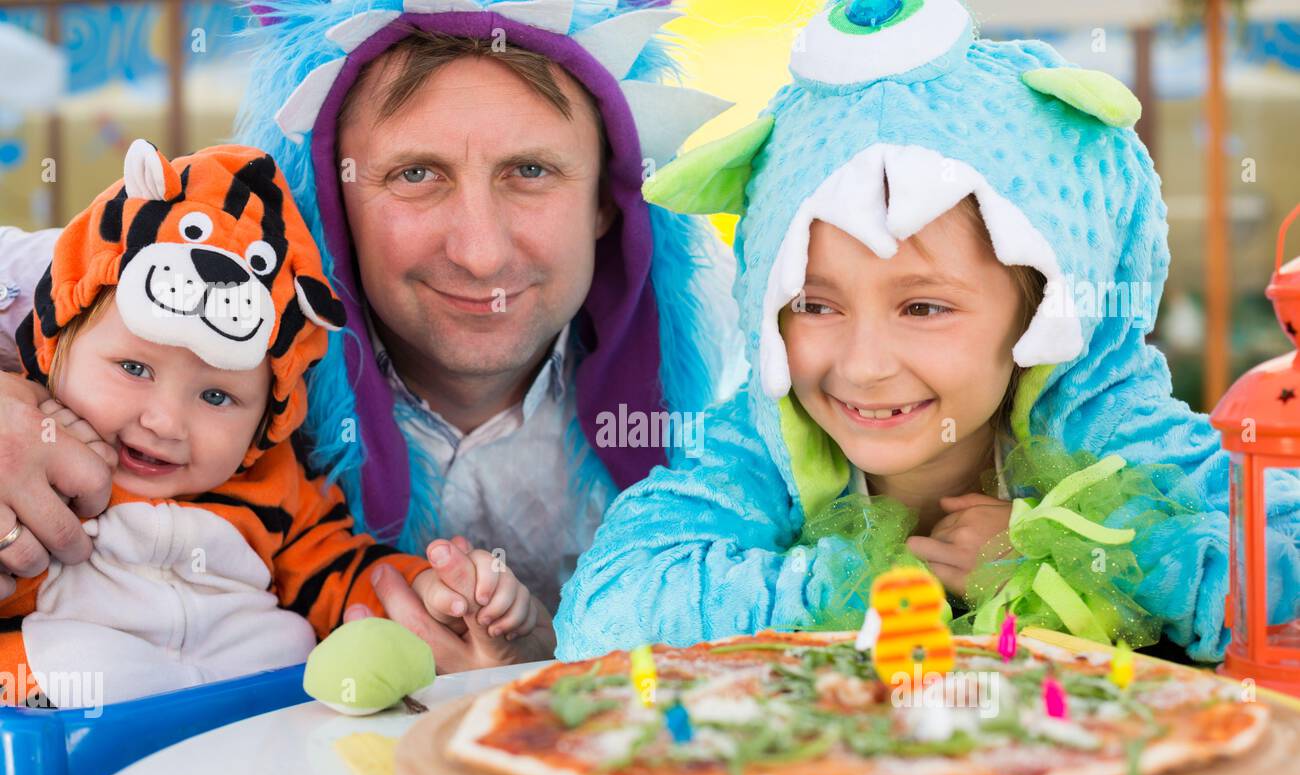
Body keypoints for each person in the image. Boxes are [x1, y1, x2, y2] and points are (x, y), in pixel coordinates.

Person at [554, 0, 1300, 662]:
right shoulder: (756, 451)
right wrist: (867, 583)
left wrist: (1056, 549)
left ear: (1040, 310)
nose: (865, 364)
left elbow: (1284, 561)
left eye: (923, 308)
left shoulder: (1112, 429)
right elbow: (607, 612)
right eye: (816, 305)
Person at [0, 0, 738, 658]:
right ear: (328, 200)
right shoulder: (220, 280)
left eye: (531, 171)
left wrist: (546, 658)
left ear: (608, 200)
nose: (480, 254)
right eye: (416, 175)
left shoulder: (740, 364)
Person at [0, 139, 547, 708]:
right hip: (70, 714)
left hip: (254, 725)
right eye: (134, 368)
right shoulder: (31, 458)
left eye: (217, 396)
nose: (164, 421)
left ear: (269, 418)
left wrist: (437, 593)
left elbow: (344, 573)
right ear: (55, 347)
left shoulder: (277, 490)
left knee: (305, 655)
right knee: (79, 666)